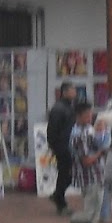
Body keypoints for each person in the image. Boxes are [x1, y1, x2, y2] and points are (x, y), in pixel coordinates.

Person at [68, 99, 108, 223]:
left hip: (94, 176)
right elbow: (86, 160)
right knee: (91, 213)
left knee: (93, 211)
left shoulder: (88, 130)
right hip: (91, 177)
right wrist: (100, 152)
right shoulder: (79, 136)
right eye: (87, 116)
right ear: (78, 116)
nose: (90, 118)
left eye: (91, 115)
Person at [45, 82, 77, 215]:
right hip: (62, 146)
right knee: (66, 173)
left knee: (67, 173)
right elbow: (52, 129)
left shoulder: (69, 107)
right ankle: (59, 199)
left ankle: (58, 195)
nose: (74, 93)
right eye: (72, 90)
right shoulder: (59, 109)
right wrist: (54, 145)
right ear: (64, 92)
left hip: (69, 145)